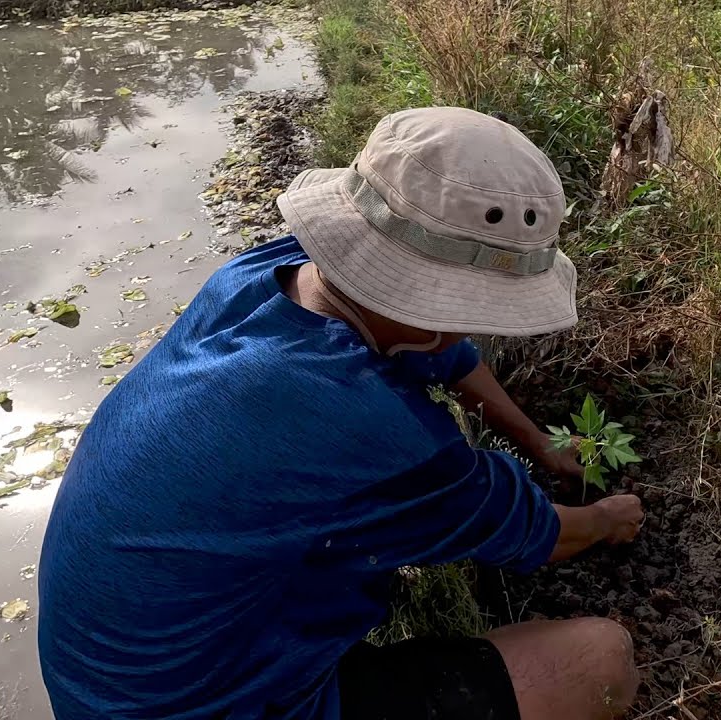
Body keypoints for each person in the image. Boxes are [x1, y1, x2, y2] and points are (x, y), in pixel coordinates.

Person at [38, 107, 645, 720]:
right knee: (601, 659)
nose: (472, 326)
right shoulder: (368, 427)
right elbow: (532, 534)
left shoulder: (262, 276)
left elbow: (438, 347)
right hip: (204, 708)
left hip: (118, 682)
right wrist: (604, 519)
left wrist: (537, 440)